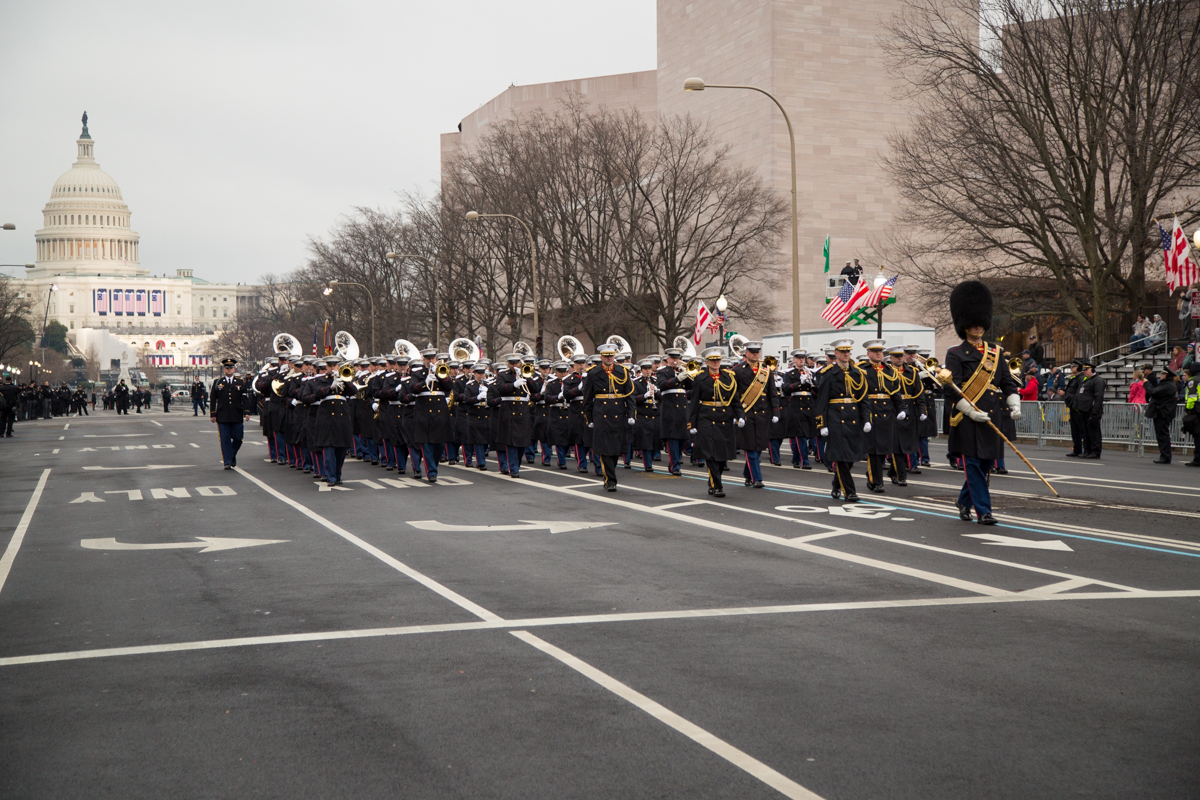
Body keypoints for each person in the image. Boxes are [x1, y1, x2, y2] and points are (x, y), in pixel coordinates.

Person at [944, 280, 1021, 525]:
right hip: (969, 418)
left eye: (980, 323)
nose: (978, 327)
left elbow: (1007, 381)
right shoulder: (955, 354)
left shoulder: (995, 352)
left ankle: (964, 501)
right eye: (973, 323)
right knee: (974, 465)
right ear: (963, 324)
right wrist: (969, 410)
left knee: (986, 464)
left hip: (992, 416)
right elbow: (951, 388)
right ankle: (984, 511)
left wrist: (1014, 401)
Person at [686, 347, 745, 496]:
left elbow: (735, 401)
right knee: (710, 454)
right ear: (706, 362)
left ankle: (714, 480)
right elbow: (694, 402)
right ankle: (717, 486)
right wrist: (691, 424)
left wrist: (741, 416)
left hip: (724, 418)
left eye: (717, 360)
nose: (715, 363)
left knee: (721, 455)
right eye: (712, 360)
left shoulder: (729, 377)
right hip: (706, 418)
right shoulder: (700, 378)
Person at [815, 338, 868, 501]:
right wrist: (821, 424)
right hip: (835, 419)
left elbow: (863, 399)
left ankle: (837, 484)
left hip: (853, 419)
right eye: (842, 352)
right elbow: (821, 401)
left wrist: (866, 419)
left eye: (848, 352)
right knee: (841, 457)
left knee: (851, 457)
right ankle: (850, 492)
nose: (846, 354)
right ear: (836, 354)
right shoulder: (828, 374)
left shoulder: (858, 373)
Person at [582, 343, 636, 491]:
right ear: (601, 357)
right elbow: (587, 399)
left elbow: (630, 396)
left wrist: (631, 414)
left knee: (615, 449)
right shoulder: (593, 373)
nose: (609, 358)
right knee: (604, 449)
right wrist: (589, 419)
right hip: (601, 414)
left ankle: (610, 475)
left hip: (618, 414)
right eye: (606, 356)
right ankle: (610, 480)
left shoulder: (623, 372)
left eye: (611, 356)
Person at [731, 341, 780, 488]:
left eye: (757, 352)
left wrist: (776, 411)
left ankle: (748, 473)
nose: (755, 354)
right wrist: (736, 414)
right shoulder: (737, 370)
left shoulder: (766, 370)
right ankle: (756, 478)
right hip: (746, 413)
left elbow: (772, 393)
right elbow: (734, 395)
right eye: (752, 352)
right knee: (750, 446)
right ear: (746, 353)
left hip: (763, 413)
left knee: (758, 447)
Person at [491, 354, 533, 479]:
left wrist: (528, 377)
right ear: (508, 364)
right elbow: (499, 388)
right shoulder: (503, 375)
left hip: (523, 410)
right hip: (509, 410)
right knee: (511, 442)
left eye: (517, 363)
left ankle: (516, 465)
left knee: (521, 443)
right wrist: (514, 384)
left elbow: (535, 388)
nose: (515, 365)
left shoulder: (526, 373)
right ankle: (513, 469)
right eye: (512, 363)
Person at [656, 347, 694, 476]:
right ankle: (675, 465)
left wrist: (687, 374)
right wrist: (678, 379)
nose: (675, 361)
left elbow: (692, 387)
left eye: (677, 358)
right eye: (673, 358)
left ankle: (675, 460)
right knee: (672, 438)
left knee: (683, 438)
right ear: (667, 359)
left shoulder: (682, 371)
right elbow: (662, 385)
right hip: (670, 407)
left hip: (683, 408)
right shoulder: (662, 371)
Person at [210, 357, 250, 469]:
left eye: (231, 368)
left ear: (234, 369)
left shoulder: (240, 382)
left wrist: (247, 411)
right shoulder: (218, 382)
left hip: (236, 414)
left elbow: (245, 398)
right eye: (227, 368)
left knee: (239, 438)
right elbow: (213, 399)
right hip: (222, 415)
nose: (229, 370)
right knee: (225, 439)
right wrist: (213, 414)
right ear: (224, 370)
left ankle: (231, 455)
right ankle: (227, 461)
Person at [782, 349, 816, 469]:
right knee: (799, 435)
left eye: (803, 358)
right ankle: (804, 461)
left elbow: (817, 390)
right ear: (794, 360)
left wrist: (811, 382)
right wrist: (799, 383)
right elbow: (785, 388)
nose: (801, 360)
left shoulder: (810, 373)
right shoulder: (789, 374)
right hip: (796, 406)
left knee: (805, 434)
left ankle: (796, 458)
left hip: (809, 406)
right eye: (799, 358)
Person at [1146, 367, 1179, 464]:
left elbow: (1153, 392)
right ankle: (1164, 455)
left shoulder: (1167, 386)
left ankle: (1165, 456)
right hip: (1163, 413)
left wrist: (1146, 383)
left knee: (1162, 435)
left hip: (1163, 413)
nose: (1161, 376)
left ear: (1167, 375)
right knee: (1162, 435)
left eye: (1163, 374)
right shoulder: (1167, 385)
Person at [1181, 370, 1199, 466]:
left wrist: (1188, 409)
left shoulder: (1193, 381)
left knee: (1197, 436)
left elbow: (1192, 397)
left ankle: (1197, 460)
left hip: (1196, 411)